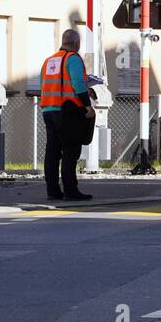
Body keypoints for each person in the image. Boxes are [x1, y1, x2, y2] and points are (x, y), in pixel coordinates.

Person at [40, 29, 96, 201]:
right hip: (67, 110)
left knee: (52, 151)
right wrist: (87, 105)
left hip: (48, 110)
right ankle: (71, 190)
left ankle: (53, 190)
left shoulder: (49, 61)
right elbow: (78, 83)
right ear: (77, 44)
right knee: (70, 151)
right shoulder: (72, 59)